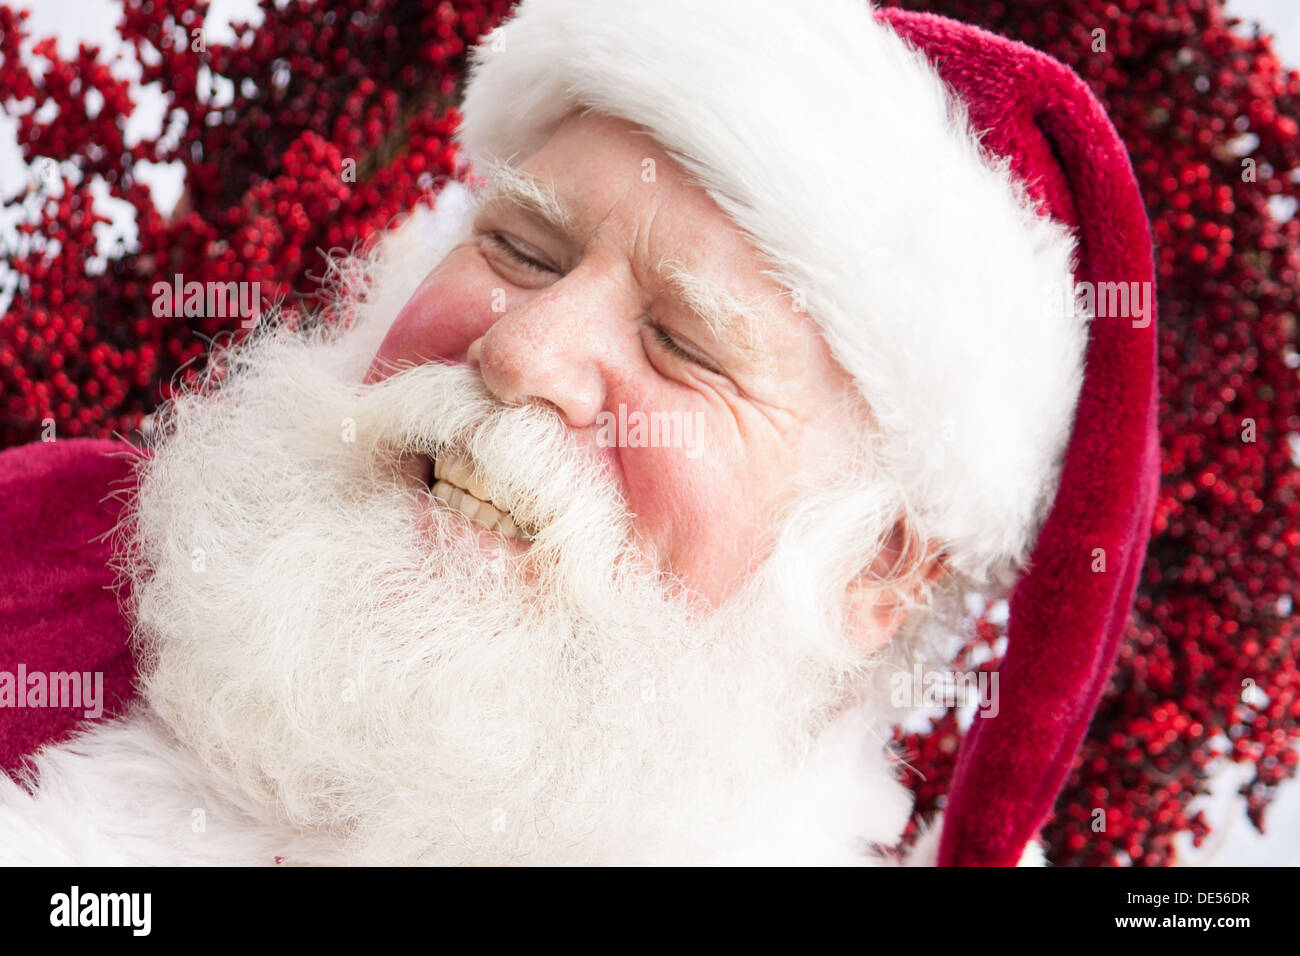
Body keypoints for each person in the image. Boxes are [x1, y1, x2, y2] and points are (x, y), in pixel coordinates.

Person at [0, 0, 1157, 865]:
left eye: (685, 344)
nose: (519, 353)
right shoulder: (40, 540)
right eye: (520, 248)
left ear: (880, 567)